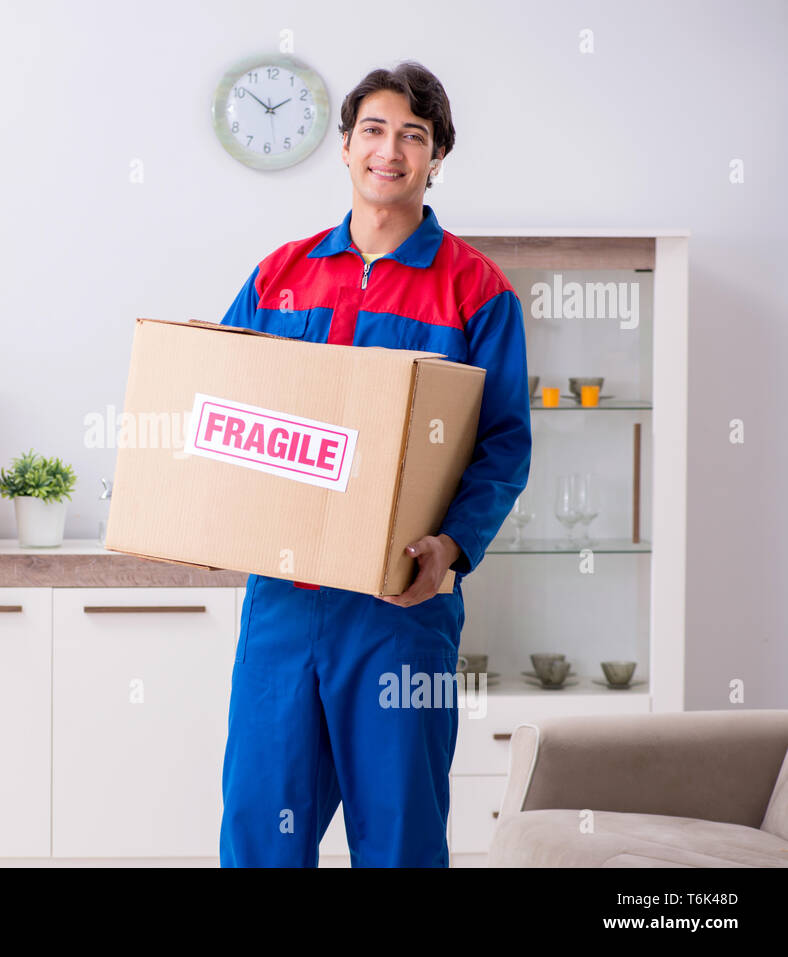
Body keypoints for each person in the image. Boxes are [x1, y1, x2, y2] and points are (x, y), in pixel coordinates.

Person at [218, 60, 532, 867]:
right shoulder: (280, 276)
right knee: (261, 827)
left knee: (399, 836)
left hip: (402, 603)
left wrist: (451, 547)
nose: (390, 150)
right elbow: (223, 401)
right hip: (283, 600)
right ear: (347, 145)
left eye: (413, 136)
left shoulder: (475, 290)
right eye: (374, 130)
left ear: (436, 158)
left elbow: (504, 443)